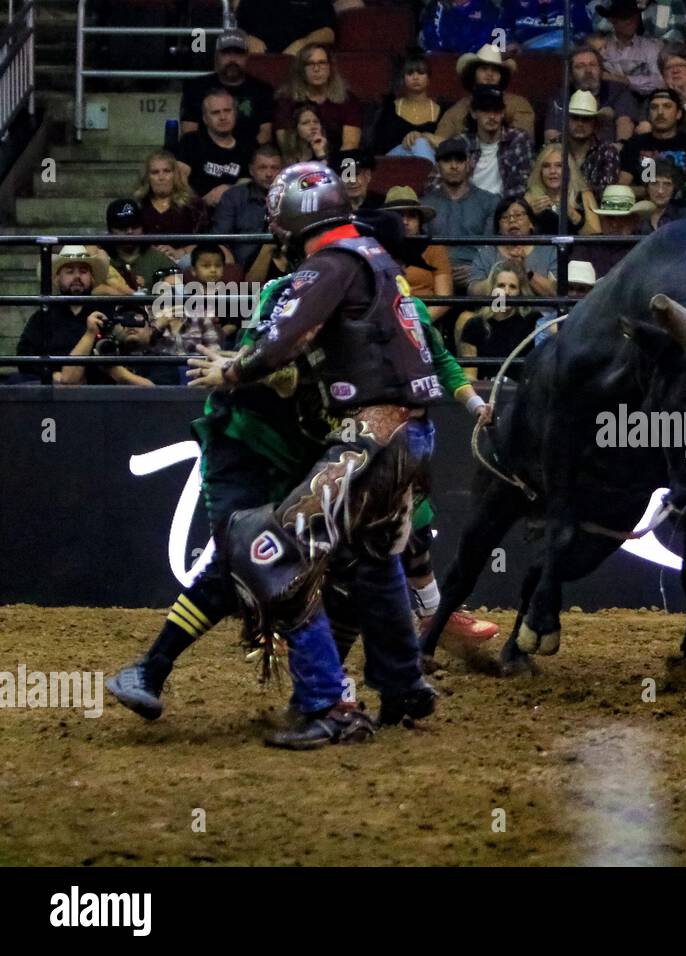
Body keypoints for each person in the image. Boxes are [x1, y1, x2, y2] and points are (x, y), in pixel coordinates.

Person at [181, 161, 441, 748]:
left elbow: (280, 341)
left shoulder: (330, 265)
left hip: (370, 440)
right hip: (414, 436)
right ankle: (403, 685)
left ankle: (331, 704)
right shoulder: (377, 258)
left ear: (292, 217)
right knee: (376, 561)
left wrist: (233, 368)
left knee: (271, 550)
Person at [14, 246, 111, 384]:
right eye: (70, 272)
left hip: (93, 387)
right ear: (57, 279)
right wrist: (53, 375)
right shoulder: (43, 315)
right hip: (50, 386)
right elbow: (25, 356)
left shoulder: (105, 311)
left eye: (83, 271)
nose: (77, 277)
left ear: (92, 279)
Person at [422, 138, 498, 292]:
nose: (454, 166)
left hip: (478, 276)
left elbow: (493, 246)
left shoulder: (490, 201)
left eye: (459, 160)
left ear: (468, 163)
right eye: (447, 160)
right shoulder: (424, 205)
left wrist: (476, 268)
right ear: (437, 166)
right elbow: (422, 248)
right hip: (435, 276)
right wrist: (442, 271)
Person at [179, 29, 274, 145]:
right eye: (226, 53)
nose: (232, 59)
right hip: (205, 155)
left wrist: (240, 154)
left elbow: (265, 135)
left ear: (247, 56)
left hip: (249, 156)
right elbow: (189, 131)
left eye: (238, 53)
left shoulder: (263, 90)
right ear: (216, 56)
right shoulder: (196, 88)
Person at [434, 44, 536, 143]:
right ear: (473, 74)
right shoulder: (456, 111)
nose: (490, 74)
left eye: (495, 70)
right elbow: (438, 143)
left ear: (501, 77)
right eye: (484, 69)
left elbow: (522, 141)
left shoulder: (518, 104)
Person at [273, 44, 363, 155]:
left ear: (330, 68)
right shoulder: (287, 100)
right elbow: (286, 146)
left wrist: (335, 170)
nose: (316, 69)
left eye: (322, 63)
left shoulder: (347, 100)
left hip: (337, 162)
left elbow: (350, 145)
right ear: (301, 70)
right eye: (310, 64)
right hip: (300, 163)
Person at [457, 260, 543, 377]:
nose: (506, 292)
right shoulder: (475, 325)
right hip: (486, 390)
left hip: (519, 391)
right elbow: (470, 376)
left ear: (520, 292)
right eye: (501, 285)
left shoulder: (532, 321)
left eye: (512, 287)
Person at [449, 85, 535, 199]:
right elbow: (434, 184)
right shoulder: (460, 143)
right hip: (467, 207)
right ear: (474, 113)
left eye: (496, 110)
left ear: (503, 112)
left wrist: (495, 204)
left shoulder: (518, 139)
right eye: (485, 110)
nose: (492, 116)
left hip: (505, 208)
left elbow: (524, 184)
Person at [176, 89, 257, 207]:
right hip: (197, 212)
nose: (223, 117)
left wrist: (229, 191)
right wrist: (200, 203)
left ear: (235, 113)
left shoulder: (248, 144)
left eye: (227, 111)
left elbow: (253, 180)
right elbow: (179, 179)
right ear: (205, 119)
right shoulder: (191, 141)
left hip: (238, 212)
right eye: (215, 112)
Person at [618, 88, 686, 191]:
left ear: (678, 114)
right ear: (648, 115)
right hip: (645, 205)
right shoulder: (634, 144)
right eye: (654, 107)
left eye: (667, 106)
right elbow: (622, 186)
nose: (660, 112)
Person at [543, 46, 639, 143]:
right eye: (580, 66)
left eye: (593, 65)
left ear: (601, 70)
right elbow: (551, 134)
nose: (588, 70)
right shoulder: (561, 95)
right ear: (571, 74)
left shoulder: (619, 91)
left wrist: (618, 150)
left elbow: (624, 123)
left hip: (609, 151)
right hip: (571, 153)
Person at [466, 197, 558, 297]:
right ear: (499, 228)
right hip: (499, 310)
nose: (512, 220)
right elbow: (473, 291)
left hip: (539, 311)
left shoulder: (549, 252)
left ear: (531, 223)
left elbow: (555, 292)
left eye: (518, 215)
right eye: (505, 217)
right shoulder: (487, 253)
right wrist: (499, 277)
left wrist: (525, 270)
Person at [211, 145, 284, 270]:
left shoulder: (292, 197)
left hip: (284, 265)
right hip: (243, 268)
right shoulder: (233, 196)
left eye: (275, 168)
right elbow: (220, 238)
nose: (269, 173)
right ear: (251, 171)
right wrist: (231, 266)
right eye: (262, 168)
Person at [132, 149, 208, 261]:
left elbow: (205, 242)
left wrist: (180, 252)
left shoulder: (194, 206)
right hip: (145, 260)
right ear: (147, 177)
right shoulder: (137, 205)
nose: (161, 177)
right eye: (155, 172)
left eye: (167, 171)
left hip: (182, 261)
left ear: (175, 175)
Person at [371, 52, 442, 163]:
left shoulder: (442, 110)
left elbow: (445, 146)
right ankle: (432, 178)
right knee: (419, 143)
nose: (415, 77)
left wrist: (424, 136)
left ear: (429, 78)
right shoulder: (389, 108)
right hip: (394, 161)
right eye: (410, 73)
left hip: (428, 157)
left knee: (420, 143)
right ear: (402, 78)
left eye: (421, 72)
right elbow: (380, 146)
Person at [573, 184, 655, 276]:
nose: (615, 224)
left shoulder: (644, 249)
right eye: (610, 218)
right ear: (602, 219)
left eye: (622, 218)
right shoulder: (586, 247)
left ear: (634, 220)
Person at [591, 0, 665, 97]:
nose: (631, 21)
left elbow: (659, 82)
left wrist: (623, 80)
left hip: (643, 103)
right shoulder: (600, 47)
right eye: (624, 17)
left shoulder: (650, 47)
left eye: (634, 16)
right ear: (613, 20)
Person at [101, 199, 177, 293]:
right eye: (122, 227)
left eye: (135, 226)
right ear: (110, 230)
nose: (130, 231)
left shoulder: (159, 259)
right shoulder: (101, 259)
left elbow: (176, 294)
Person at [523, 143, 598, 234]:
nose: (552, 171)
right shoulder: (531, 197)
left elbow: (596, 238)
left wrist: (574, 216)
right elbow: (519, 237)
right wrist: (531, 216)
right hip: (544, 247)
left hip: (576, 248)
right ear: (540, 172)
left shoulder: (585, 196)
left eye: (559, 165)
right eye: (546, 166)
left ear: (569, 170)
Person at [557, 90, 622, 193]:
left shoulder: (607, 151)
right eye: (575, 118)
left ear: (595, 123)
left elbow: (606, 192)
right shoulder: (552, 147)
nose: (580, 124)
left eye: (586, 119)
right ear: (566, 120)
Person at [236, 0, 336, 55]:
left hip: (300, 61)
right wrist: (248, 39)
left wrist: (303, 43)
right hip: (260, 61)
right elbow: (237, 30)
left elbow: (328, 33)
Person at [501, 0, 593, 51]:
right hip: (526, 60)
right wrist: (510, 43)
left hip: (566, 60)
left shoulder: (575, 3)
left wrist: (577, 43)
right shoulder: (514, 4)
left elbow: (586, 34)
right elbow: (500, 33)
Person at [421, 0, 503, 55]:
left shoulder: (487, 8)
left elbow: (498, 36)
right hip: (445, 60)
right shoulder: (436, 8)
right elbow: (431, 37)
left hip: (480, 62)